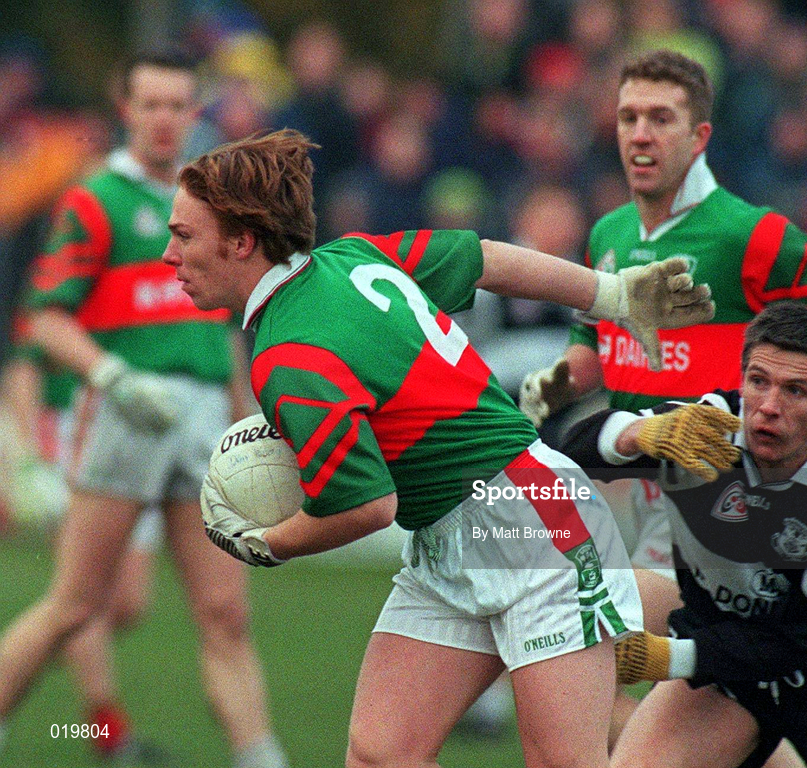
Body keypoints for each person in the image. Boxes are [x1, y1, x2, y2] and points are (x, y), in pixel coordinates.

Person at [160, 128, 715, 768]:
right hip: (455, 532)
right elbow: (484, 258)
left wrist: (267, 542)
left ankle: (751, 611)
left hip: (529, 521)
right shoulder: (352, 257)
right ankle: (735, 601)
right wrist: (612, 294)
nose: (169, 254)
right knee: (379, 754)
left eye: (184, 234)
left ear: (241, 242)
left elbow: (368, 507)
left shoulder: (289, 356)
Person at [518, 49, 807, 749]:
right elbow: (595, 351)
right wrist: (550, 388)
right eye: (629, 116)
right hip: (639, 474)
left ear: (699, 137)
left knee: (571, 624)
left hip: (713, 499)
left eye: (661, 118)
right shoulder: (608, 233)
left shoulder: (743, 231)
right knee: (686, 680)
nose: (640, 133)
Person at [0, 51, 289, 768]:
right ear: (125, 109)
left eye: (178, 105)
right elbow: (44, 320)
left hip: (197, 424)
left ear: (195, 113)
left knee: (225, 615)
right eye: (151, 104)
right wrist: (117, 377)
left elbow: (221, 330)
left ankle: (261, 759)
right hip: (127, 416)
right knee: (79, 604)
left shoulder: (212, 202)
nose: (165, 119)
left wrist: (248, 417)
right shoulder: (94, 198)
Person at [561, 301, 807, 768]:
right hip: (722, 668)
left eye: (795, 390)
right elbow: (572, 455)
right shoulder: (709, 427)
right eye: (758, 381)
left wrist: (669, 658)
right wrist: (642, 434)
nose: (768, 407)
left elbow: (800, 639)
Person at [0, 320, 167, 763]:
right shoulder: (73, 263)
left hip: (139, 435)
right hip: (75, 433)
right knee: (81, 600)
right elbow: (26, 360)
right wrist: (28, 460)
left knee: (127, 601)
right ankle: (108, 730)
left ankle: (14, 667)